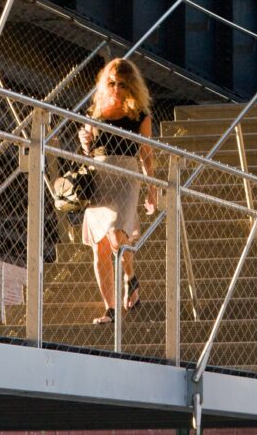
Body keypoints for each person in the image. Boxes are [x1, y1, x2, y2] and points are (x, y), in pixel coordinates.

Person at [77, 56, 156, 323]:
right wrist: (84, 140)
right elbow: (88, 150)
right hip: (100, 177)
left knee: (116, 233)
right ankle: (110, 309)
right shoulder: (95, 112)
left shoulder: (140, 116)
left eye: (122, 84)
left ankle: (129, 275)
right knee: (99, 249)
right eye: (111, 83)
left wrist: (151, 189)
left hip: (126, 177)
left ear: (131, 85)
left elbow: (147, 154)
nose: (116, 89)